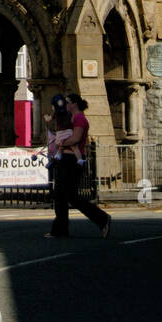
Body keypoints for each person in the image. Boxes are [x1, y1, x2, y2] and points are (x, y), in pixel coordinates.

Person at [45, 92, 111, 239]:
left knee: (71, 197)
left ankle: (102, 218)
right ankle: (60, 230)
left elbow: (75, 138)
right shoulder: (70, 118)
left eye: (67, 102)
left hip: (72, 160)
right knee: (60, 196)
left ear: (74, 104)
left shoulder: (80, 118)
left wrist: (61, 143)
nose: (65, 105)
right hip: (65, 159)